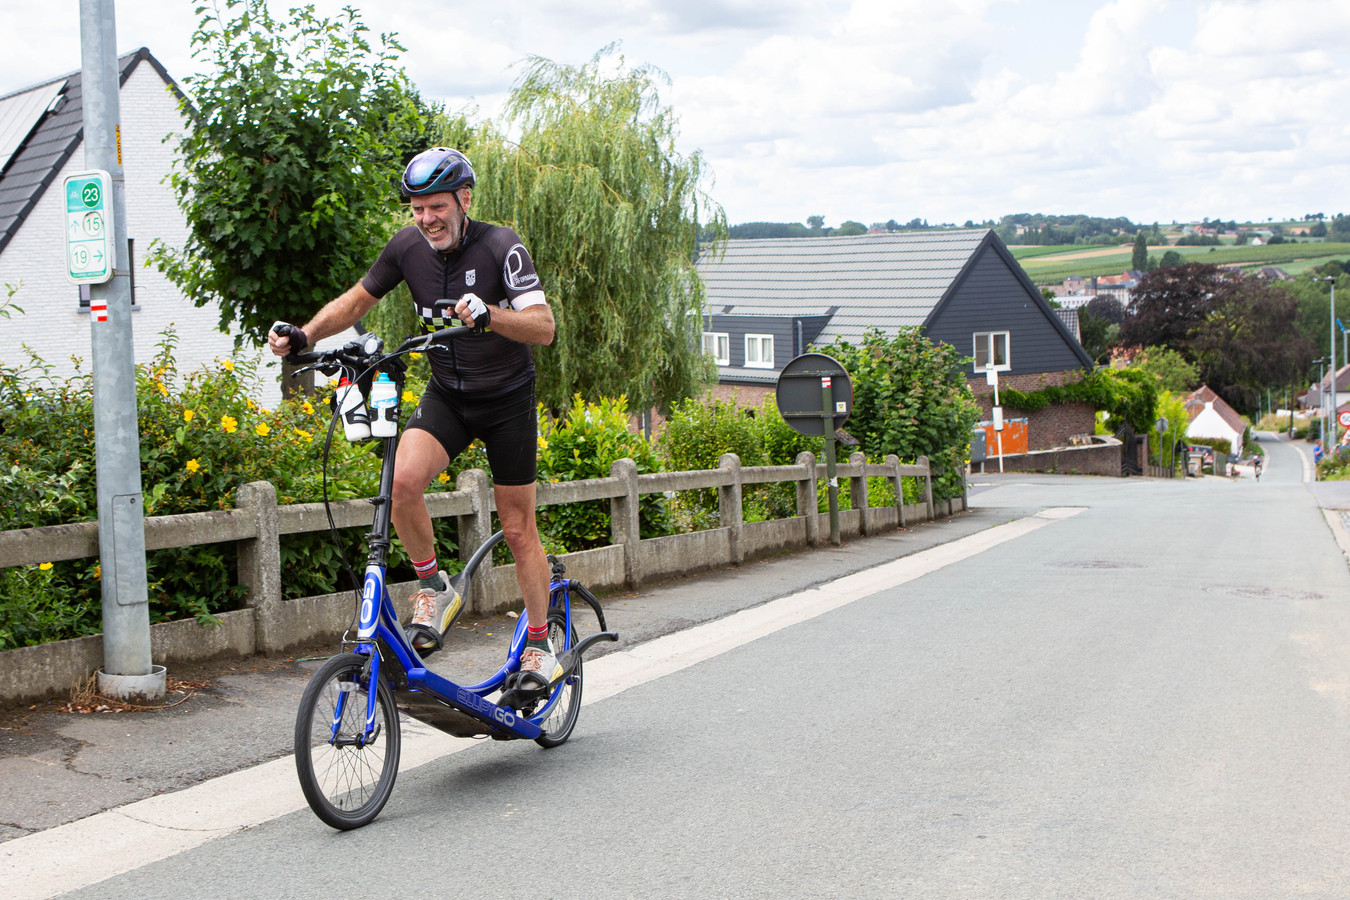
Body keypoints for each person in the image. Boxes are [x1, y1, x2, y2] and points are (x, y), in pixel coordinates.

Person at [268, 147, 561, 686]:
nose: (427, 219)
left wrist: (490, 315)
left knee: (518, 530)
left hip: (506, 401)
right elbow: (356, 301)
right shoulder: (407, 246)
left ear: (464, 199)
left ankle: (541, 644)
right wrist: (306, 335)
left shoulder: (502, 246)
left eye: (437, 207)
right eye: (417, 208)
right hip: (449, 393)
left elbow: (543, 327)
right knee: (401, 482)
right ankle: (434, 586)